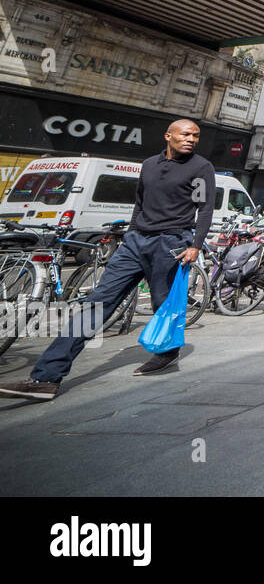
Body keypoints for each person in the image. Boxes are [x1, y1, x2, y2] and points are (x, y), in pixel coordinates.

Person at [1, 119, 216, 400]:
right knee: (96, 303)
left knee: (162, 305)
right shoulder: (149, 164)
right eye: (185, 134)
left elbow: (205, 208)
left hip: (171, 243)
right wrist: (131, 233)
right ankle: (46, 377)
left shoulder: (200, 168)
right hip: (136, 241)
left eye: (195, 136)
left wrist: (195, 246)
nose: (191, 139)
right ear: (168, 136)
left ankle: (167, 350)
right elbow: (140, 202)